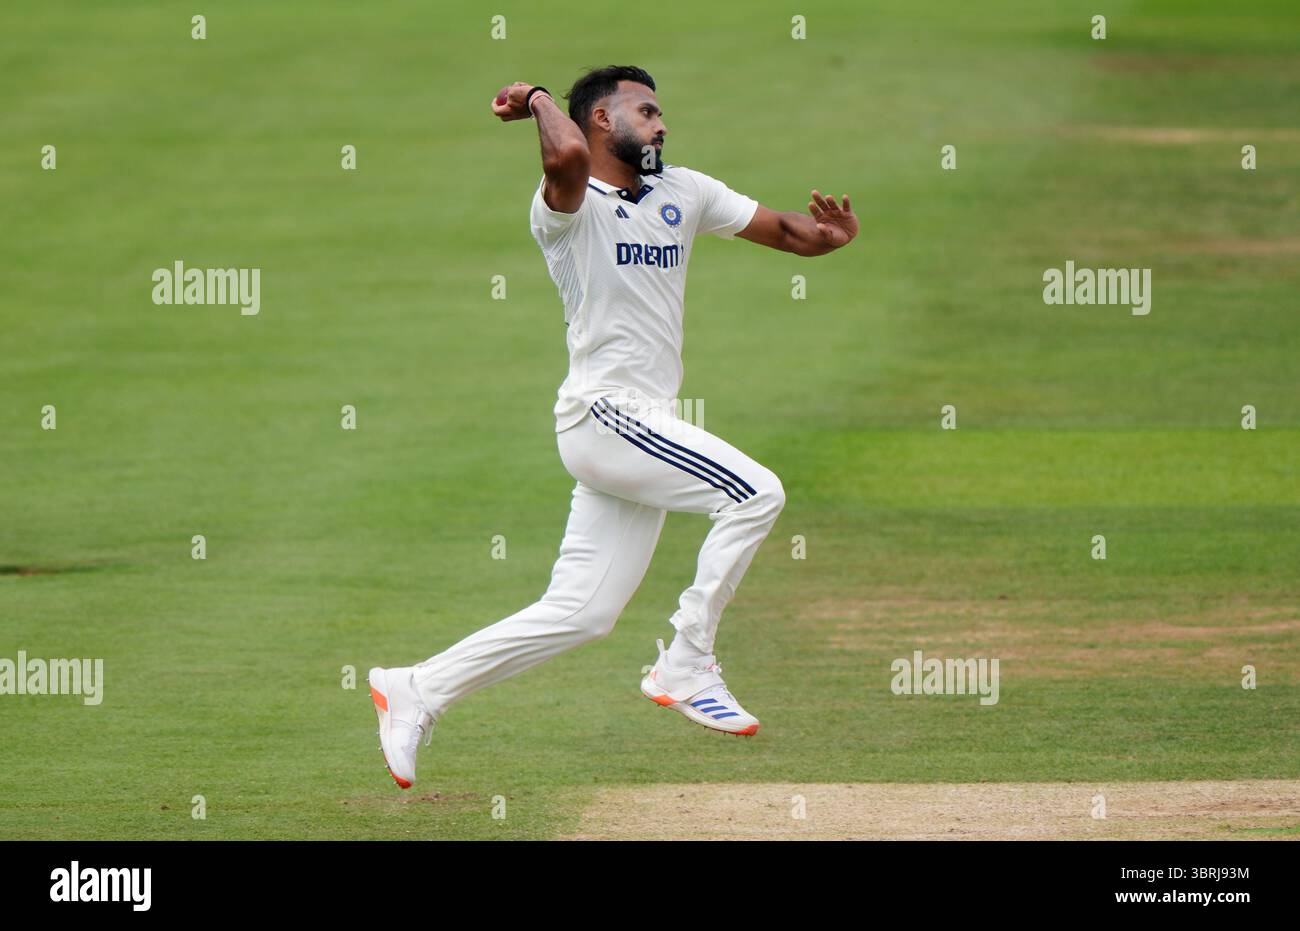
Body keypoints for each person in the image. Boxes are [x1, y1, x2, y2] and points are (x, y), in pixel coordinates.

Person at [368, 65, 857, 788]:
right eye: (647, 111)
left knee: (583, 612)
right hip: (606, 412)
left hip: (640, 425)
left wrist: (828, 236)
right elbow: (562, 157)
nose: (662, 125)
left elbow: (788, 232)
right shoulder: (565, 205)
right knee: (755, 492)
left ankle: (418, 687)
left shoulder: (682, 190)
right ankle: (687, 661)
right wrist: (536, 97)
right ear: (601, 120)